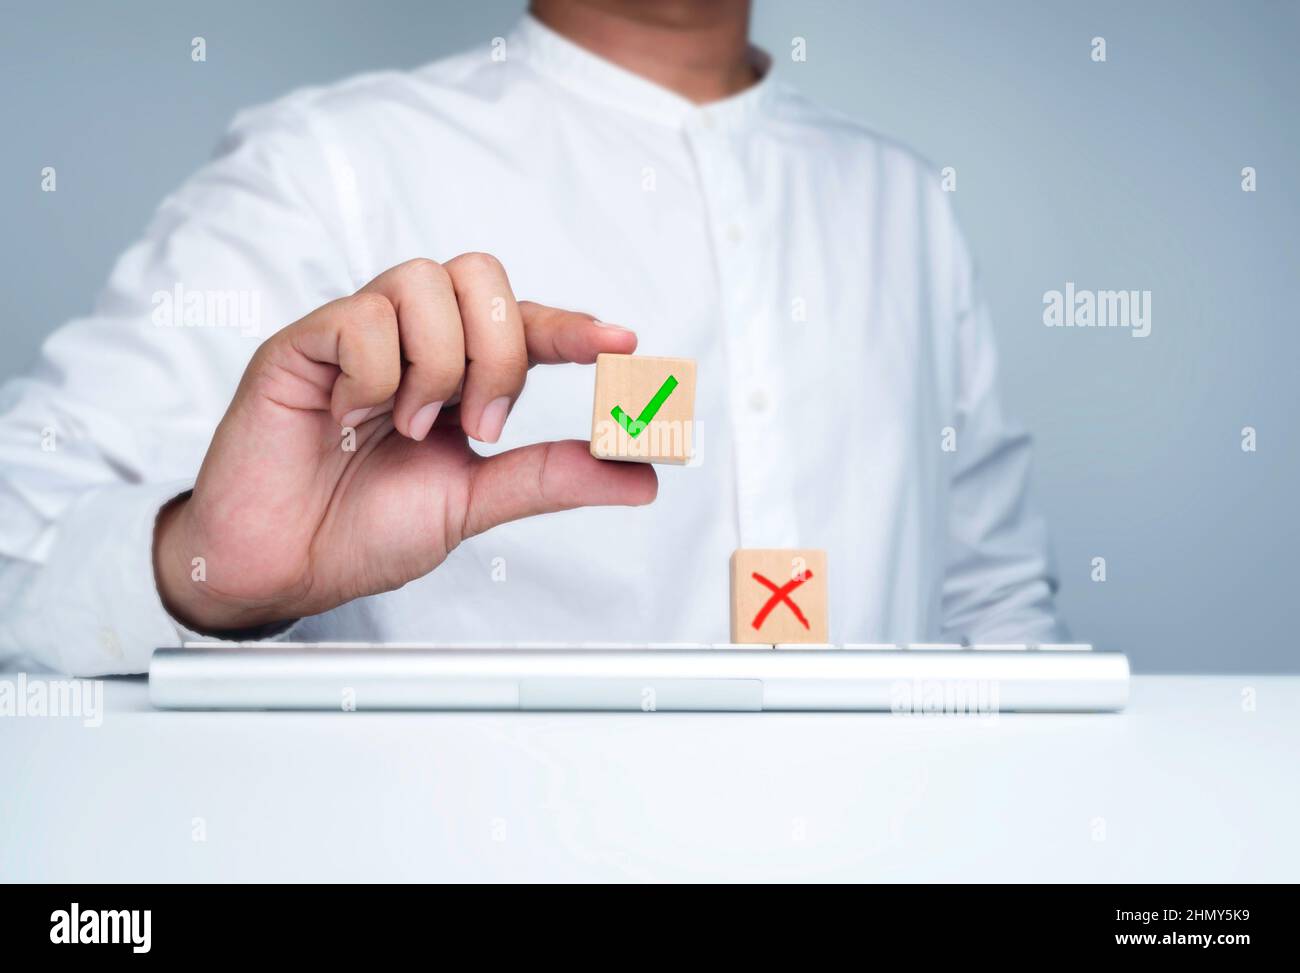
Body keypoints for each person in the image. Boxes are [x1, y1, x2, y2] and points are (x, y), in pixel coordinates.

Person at [0, 0, 1064, 675]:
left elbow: (996, 611)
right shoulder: (328, 165)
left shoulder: (906, 200)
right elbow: (17, 553)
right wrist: (204, 571)